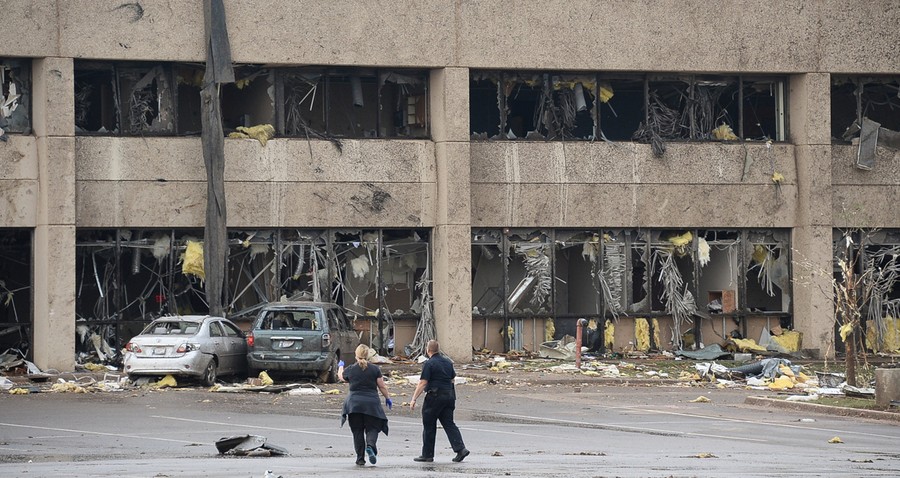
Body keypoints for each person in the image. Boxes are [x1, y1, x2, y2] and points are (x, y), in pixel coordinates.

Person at [409, 340, 469, 463]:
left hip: (434, 397)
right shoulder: (448, 362)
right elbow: (452, 378)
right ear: (438, 349)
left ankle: (427, 455)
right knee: (449, 423)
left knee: (429, 424)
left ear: (428, 350)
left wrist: (414, 399)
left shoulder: (429, 364)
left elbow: (422, 382)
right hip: (449, 396)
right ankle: (460, 449)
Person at [339, 344, 392, 466]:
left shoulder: (351, 369)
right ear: (368, 355)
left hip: (354, 405)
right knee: (373, 428)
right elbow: (382, 386)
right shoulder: (375, 369)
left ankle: (360, 459)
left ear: (356, 355)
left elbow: (341, 377)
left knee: (357, 431)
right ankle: (370, 445)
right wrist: (388, 398)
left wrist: (341, 366)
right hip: (371, 404)